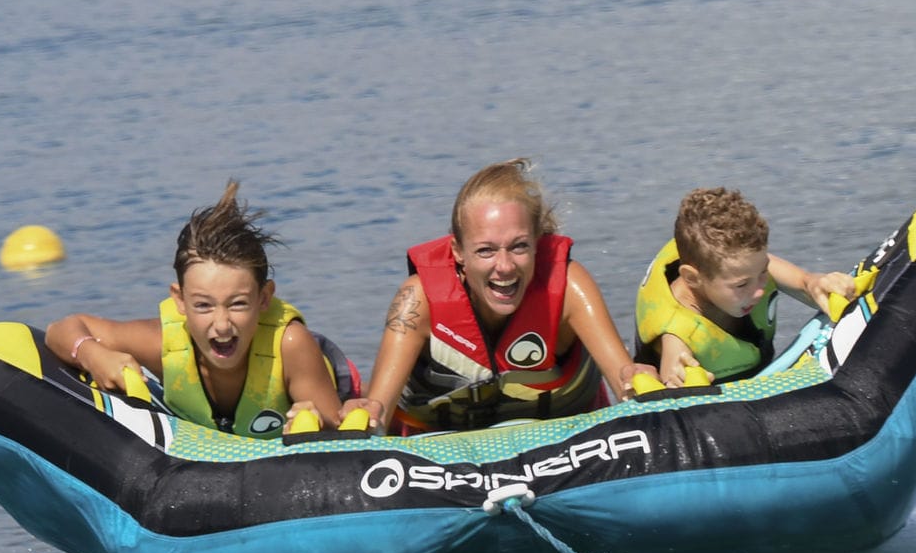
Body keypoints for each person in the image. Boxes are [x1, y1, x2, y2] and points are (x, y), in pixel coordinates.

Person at [348, 158, 655, 434]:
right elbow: (378, 412)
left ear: (537, 243)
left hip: (565, 435)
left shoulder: (569, 288)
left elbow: (624, 380)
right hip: (438, 442)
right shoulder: (418, 300)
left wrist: (636, 377)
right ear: (458, 252)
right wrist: (365, 413)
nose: (505, 266)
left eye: (519, 246)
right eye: (486, 250)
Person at [46, 181, 351, 437]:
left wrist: (317, 422)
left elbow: (341, 440)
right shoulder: (163, 343)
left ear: (264, 298)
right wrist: (92, 353)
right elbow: (61, 329)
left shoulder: (290, 345)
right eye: (204, 305)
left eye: (238, 304)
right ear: (179, 300)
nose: (222, 324)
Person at [634, 187, 857, 385]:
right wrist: (675, 381)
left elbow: (806, 283)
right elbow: (674, 383)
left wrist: (819, 283)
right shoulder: (676, 338)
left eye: (764, 271)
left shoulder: (741, 268)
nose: (759, 291)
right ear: (692, 279)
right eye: (742, 285)